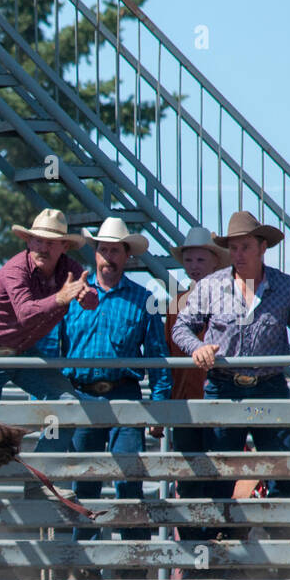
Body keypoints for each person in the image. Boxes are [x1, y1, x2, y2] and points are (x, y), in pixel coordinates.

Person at [171, 210, 290, 505]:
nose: (238, 254)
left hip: (268, 387)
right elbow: (182, 327)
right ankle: (220, 541)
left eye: (245, 246)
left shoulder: (285, 287)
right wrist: (197, 348)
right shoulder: (211, 286)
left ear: (262, 247)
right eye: (233, 248)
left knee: (282, 471)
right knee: (219, 473)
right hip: (223, 386)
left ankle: (278, 538)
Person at [58, 218, 170, 560]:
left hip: (124, 393)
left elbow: (157, 356)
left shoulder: (143, 299)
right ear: (95, 254)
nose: (108, 256)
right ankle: (84, 558)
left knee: (128, 476)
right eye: (103, 249)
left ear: (126, 256)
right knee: (84, 481)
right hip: (82, 395)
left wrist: (160, 406)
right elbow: (52, 346)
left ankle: (135, 557)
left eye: (115, 250)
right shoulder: (73, 292)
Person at [0, 208, 98, 401]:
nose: (43, 248)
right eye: (38, 241)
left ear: (64, 246)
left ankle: (48, 432)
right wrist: (60, 298)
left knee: (69, 404)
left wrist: (88, 296)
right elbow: (26, 314)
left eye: (51, 243)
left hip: (22, 352)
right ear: (29, 242)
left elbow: (92, 296)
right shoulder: (15, 269)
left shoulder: (69, 268)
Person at [165, 226, 230, 542]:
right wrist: (166, 400)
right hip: (187, 402)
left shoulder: (231, 301)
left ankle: (215, 537)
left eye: (200, 259)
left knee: (220, 472)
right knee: (189, 476)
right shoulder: (175, 304)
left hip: (220, 399)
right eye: (189, 259)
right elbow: (165, 356)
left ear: (215, 262)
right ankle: (194, 543)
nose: (193, 265)